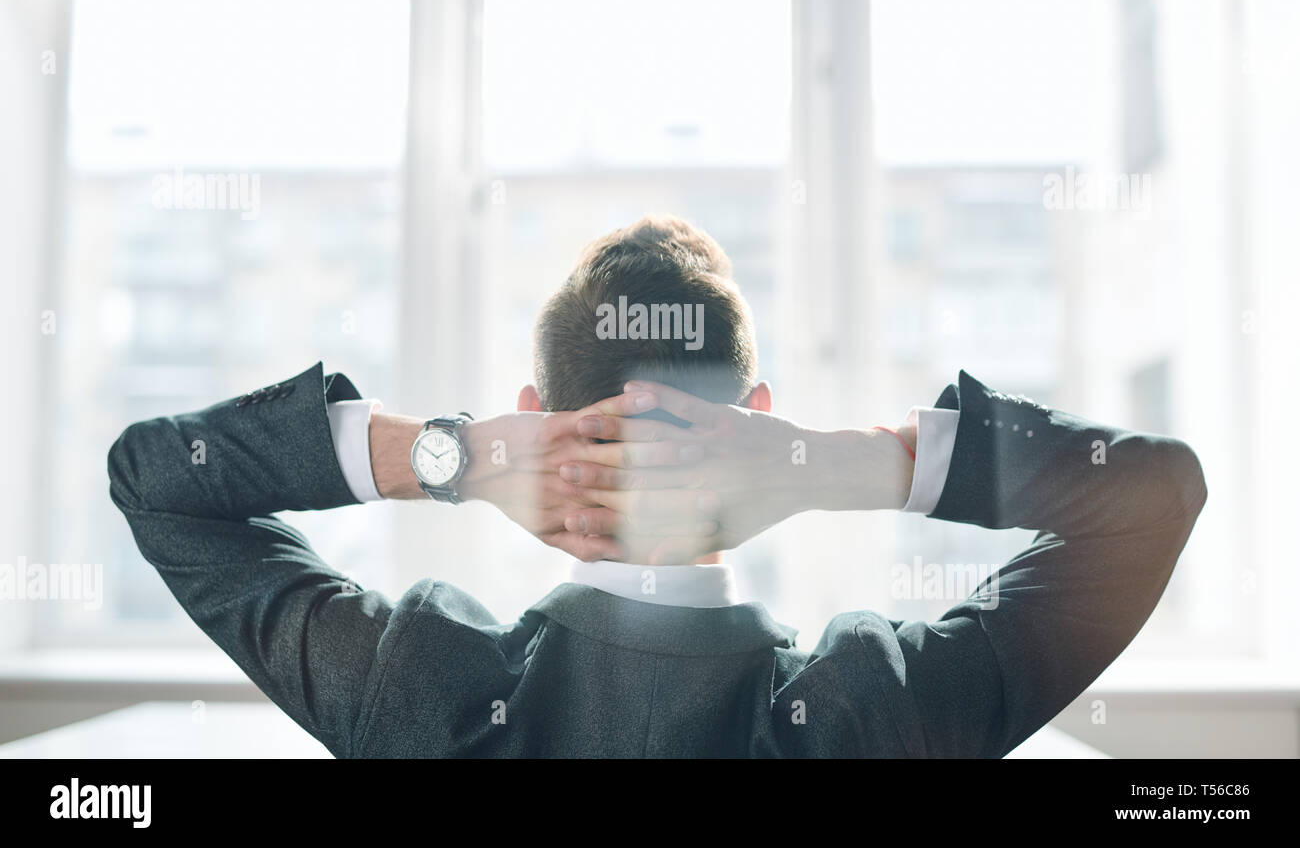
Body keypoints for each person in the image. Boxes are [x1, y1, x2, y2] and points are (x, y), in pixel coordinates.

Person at [107, 216, 1207, 757]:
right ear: (757, 418)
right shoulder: (878, 711)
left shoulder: (414, 688)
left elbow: (154, 479)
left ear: (533, 414)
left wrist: (450, 453)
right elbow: (1157, 494)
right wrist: (846, 465)